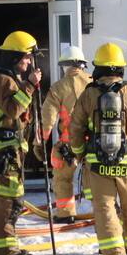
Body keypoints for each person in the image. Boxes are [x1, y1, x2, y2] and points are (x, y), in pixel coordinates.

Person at [69, 43, 127, 255]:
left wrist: (79, 153)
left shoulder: (88, 94)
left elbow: (75, 128)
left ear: (98, 67)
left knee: (105, 209)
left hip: (98, 165)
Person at [0, 30, 42, 255]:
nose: (29, 62)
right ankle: (7, 251)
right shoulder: (3, 80)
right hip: (5, 152)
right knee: (9, 201)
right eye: (26, 57)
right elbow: (13, 110)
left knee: (2, 200)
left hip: (6, 150)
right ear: (15, 57)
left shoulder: (7, 78)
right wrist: (30, 86)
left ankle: (2, 248)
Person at [41, 46, 90, 223]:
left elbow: (48, 117)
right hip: (92, 143)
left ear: (65, 66)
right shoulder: (94, 84)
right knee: (97, 180)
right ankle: (105, 211)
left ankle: (65, 214)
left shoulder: (58, 88)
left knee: (62, 179)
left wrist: (41, 141)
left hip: (68, 144)